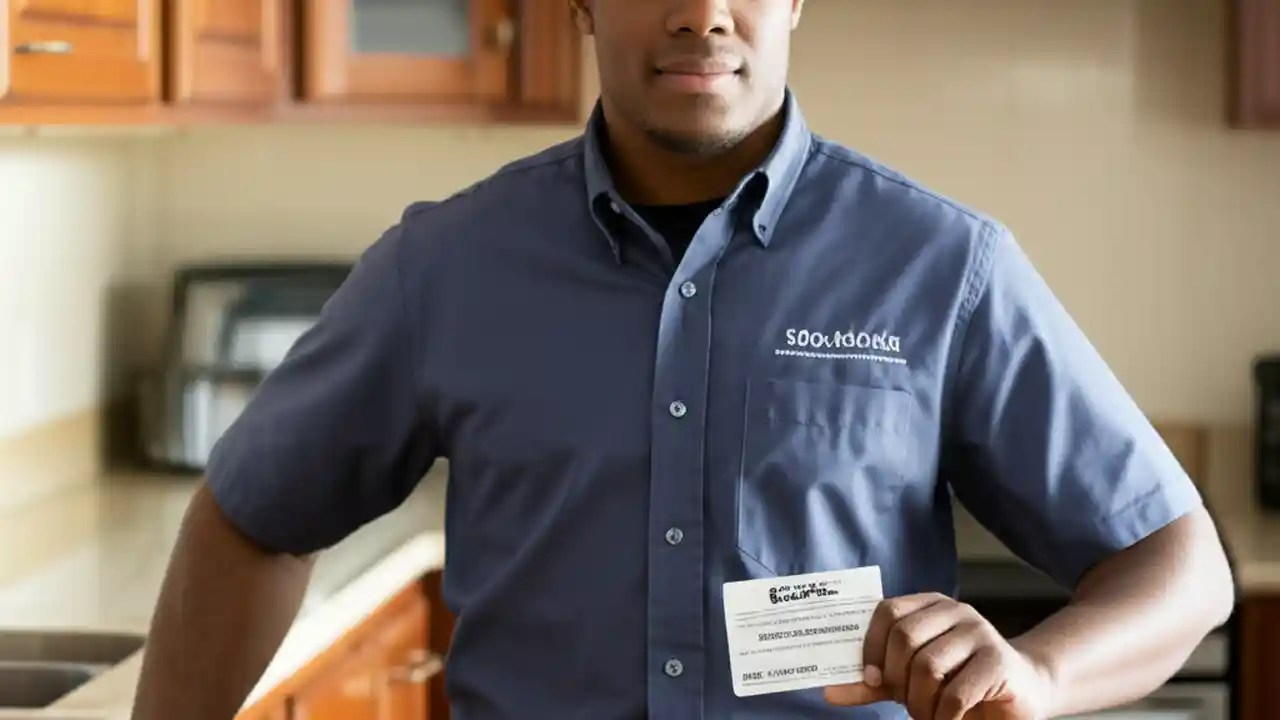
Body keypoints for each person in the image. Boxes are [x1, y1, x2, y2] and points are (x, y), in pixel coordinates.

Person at [131, 1, 1236, 719]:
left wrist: (1040, 671)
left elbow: (1182, 568)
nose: (701, 13)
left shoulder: (942, 266)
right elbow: (250, 518)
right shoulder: (445, 267)